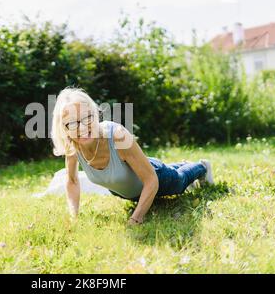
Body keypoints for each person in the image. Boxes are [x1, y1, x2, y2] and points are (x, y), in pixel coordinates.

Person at [50, 87, 214, 225]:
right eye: (72, 123)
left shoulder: (118, 136)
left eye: (87, 117)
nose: (82, 127)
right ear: (63, 128)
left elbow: (151, 180)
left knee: (180, 181)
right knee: (171, 172)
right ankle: (180, 164)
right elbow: (71, 181)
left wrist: (136, 219)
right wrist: (74, 217)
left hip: (156, 178)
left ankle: (202, 166)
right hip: (133, 191)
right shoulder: (73, 146)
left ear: (95, 114)